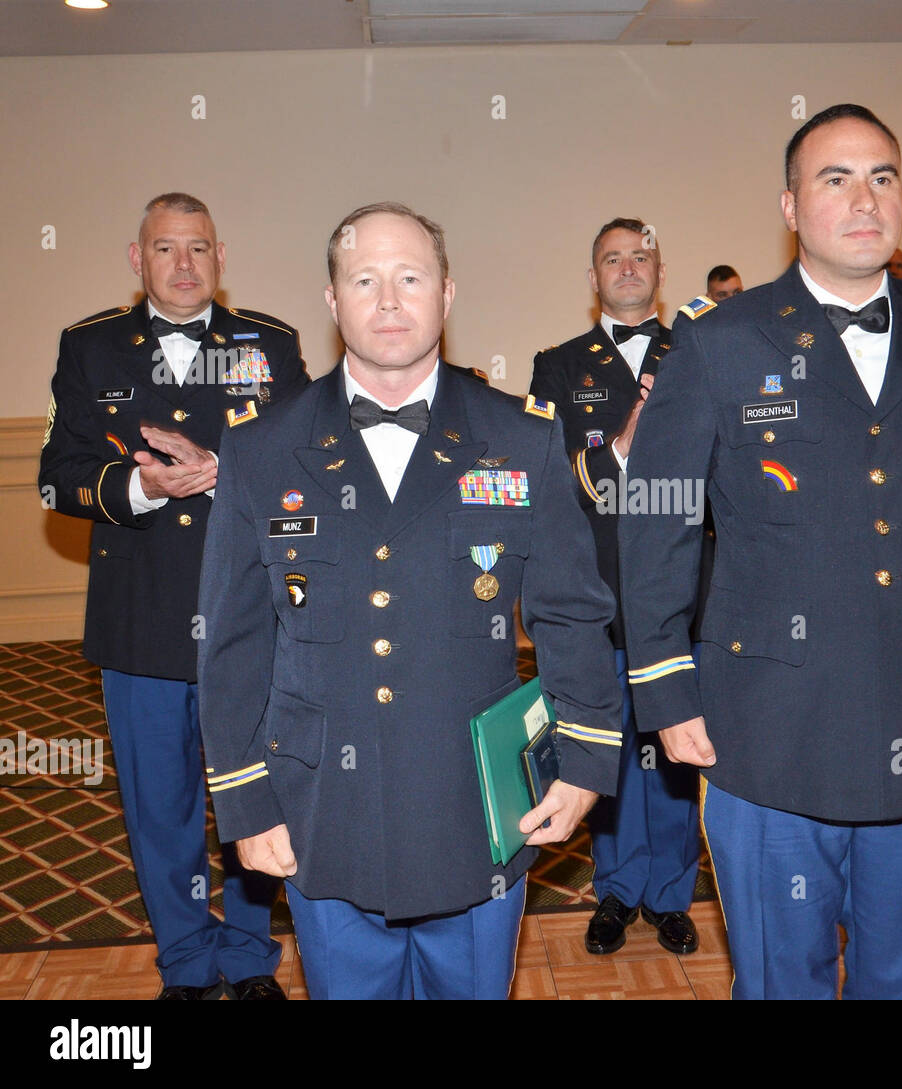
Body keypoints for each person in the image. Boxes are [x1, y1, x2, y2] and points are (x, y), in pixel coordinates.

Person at [618, 104, 902, 999]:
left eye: (883, 177)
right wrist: (663, 680)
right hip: (769, 728)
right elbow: (655, 518)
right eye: (835, 178)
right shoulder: (716, 341)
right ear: (789, 206)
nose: (865, 198)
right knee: (781, 982)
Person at [197, 203, 623, 1000]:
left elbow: (571, 611)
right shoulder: (259, 448)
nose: (388, 300)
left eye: (409, 277)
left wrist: (588, 759)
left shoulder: (521, 439)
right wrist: (244, 798)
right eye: (364, 279)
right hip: (323, 813)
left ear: (447, 294)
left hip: (472, 813)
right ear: (332, 301)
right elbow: (232, 642)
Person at [38, 192, 310, 999]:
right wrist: (145, 485)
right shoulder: (91, 348)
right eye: (166, 249)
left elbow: (308, 465)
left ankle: (250, 956)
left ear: (220, 256)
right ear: (138, 258)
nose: (183, 264)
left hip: (249, 619)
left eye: (198, 248)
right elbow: (58, 476)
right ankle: (187, 963)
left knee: (249, 796)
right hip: (141, 620)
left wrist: (225, 470)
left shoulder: (272, 344)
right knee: (162, 807)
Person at [529, 219, 701, 957]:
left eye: (641, 255)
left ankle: (671, 893)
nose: (627, 267)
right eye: (612, 258)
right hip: (594, 596)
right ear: (593, 275)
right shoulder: (558, 365)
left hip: (687, 595)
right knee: (605, 745)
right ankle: (617, 888)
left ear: (659, 270)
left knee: (676, 750)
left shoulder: (700, 354)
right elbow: (546, 482)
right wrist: (620, 453)